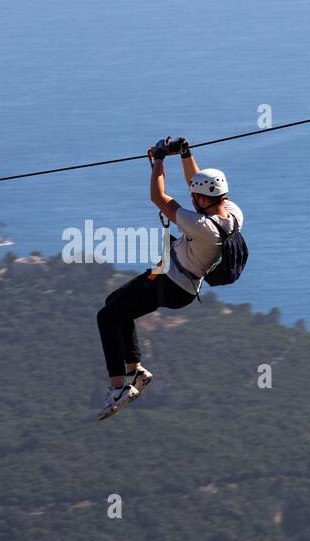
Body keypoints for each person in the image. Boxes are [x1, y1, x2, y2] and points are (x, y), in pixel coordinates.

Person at [95, 137, 243, 420]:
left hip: (171, 285)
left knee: (107, 317)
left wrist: (160, 160)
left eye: (195, 197)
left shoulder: (201, 226)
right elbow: (195, 183)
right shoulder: (234, 214)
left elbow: (158, 198)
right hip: (173, 278)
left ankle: (118, 387)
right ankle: (135, 371)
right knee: (114, 303)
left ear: (202, 199)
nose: (191, 199)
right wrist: (186, 155)